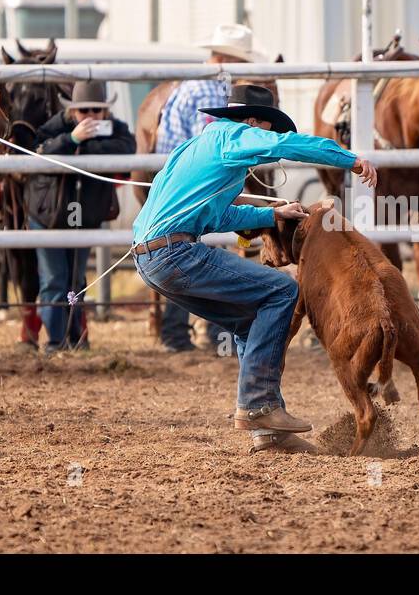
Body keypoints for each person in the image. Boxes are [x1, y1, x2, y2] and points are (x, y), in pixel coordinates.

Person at [132, 84, 377, 454]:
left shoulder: (198, 147)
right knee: (282, 291)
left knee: (253, 321)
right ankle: (258, 406)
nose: (269, 141)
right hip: (175, 252)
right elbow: (285, 146)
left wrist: (271, 214)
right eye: (266, 129)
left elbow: (216, 215)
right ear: (250, 122)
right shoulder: (233, 136)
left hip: (150, 258)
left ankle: (268, 432)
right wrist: (349, 159)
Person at [152, 24, 265, 353]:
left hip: (178, 178)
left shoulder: (190, 86)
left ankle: (179, 332)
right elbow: (220, 146)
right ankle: (214, 333)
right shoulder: (212, 92)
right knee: (207, 254)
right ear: (228, 59)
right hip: (201, 182)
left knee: (185, 250)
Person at [24, 82, 137, 354]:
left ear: (105, 112)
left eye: (97, 111)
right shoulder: (56, 126)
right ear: (72, 110)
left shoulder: (116, 130)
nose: (90, 116)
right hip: (48, 217)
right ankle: (55, 343)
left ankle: (75, 338)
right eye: (84, 110)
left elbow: (128, 147)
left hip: (84, 216)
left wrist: (81, 148)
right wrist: (72, 139)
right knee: (54, 279)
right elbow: (36, 149)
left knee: (75, 279)